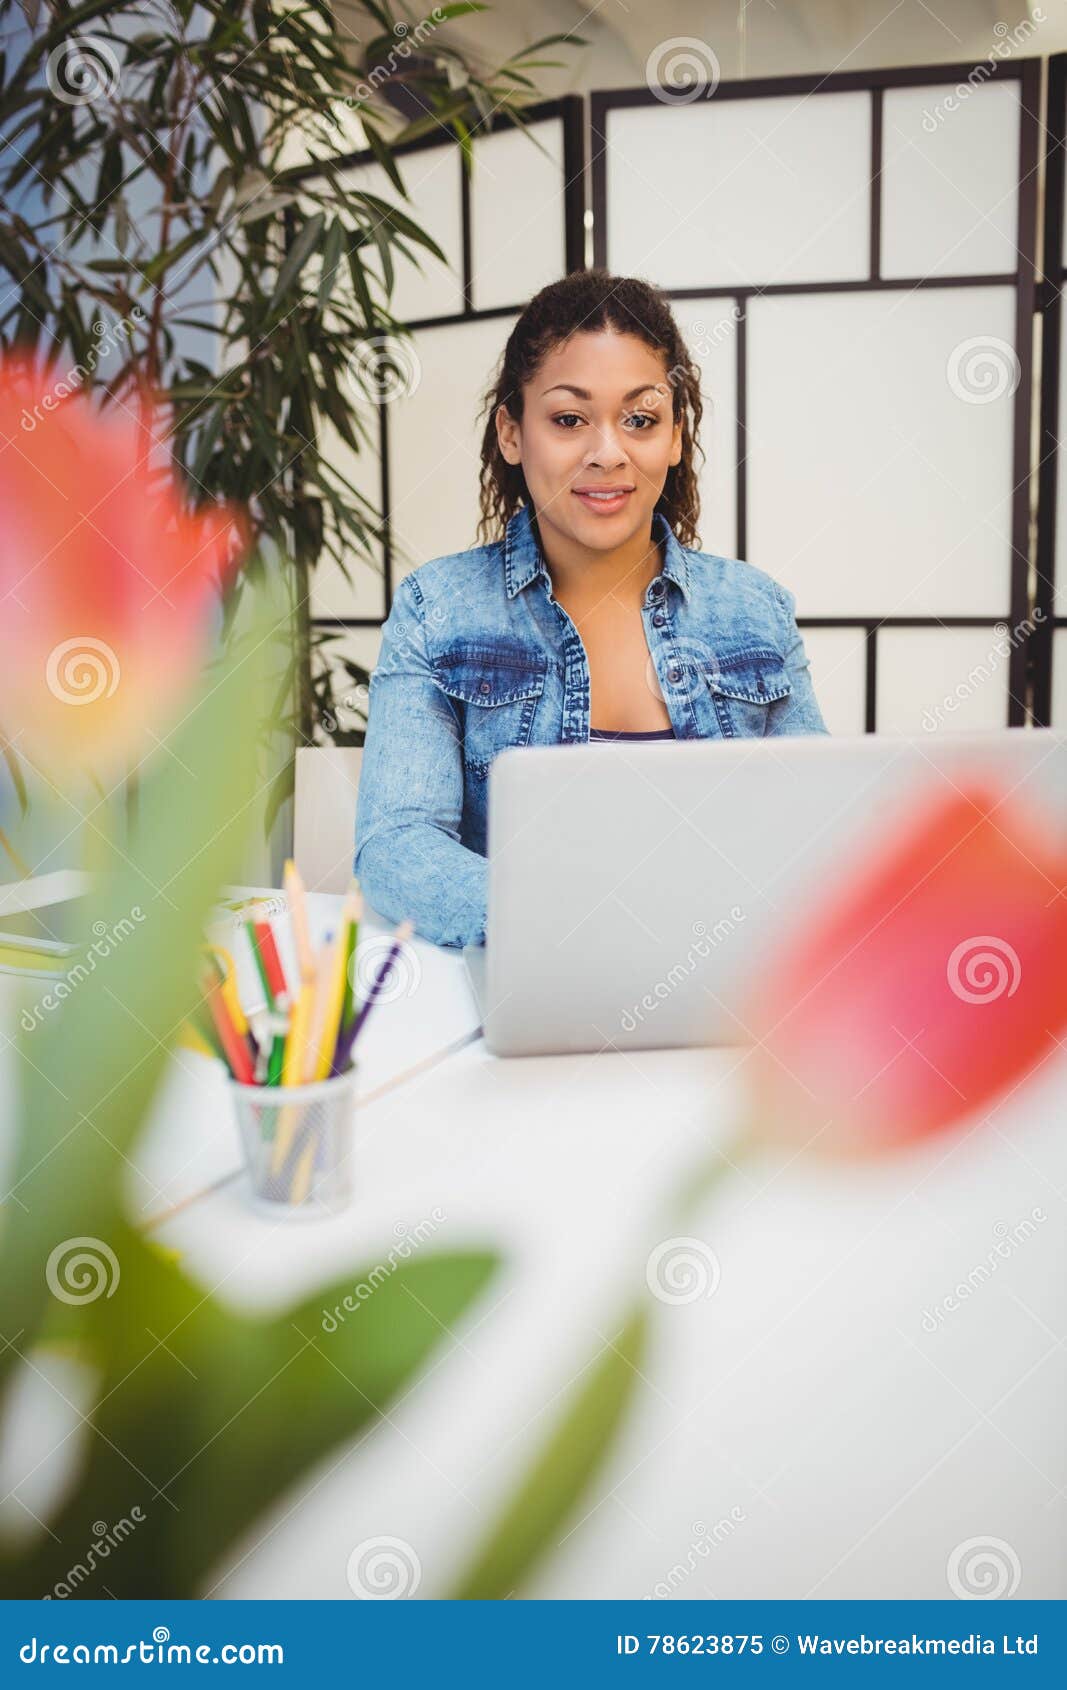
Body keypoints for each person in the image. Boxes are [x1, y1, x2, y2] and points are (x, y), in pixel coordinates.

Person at [355, 269, 828, 948]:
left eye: (639, 419)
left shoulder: (755, 611)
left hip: (725, 993)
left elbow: (811, 827)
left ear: (673, 436)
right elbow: (396, 844)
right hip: (528, 986)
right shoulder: (439, 610)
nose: (607, 453)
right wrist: (564, 927)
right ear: (512, 434)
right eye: (569, 419)